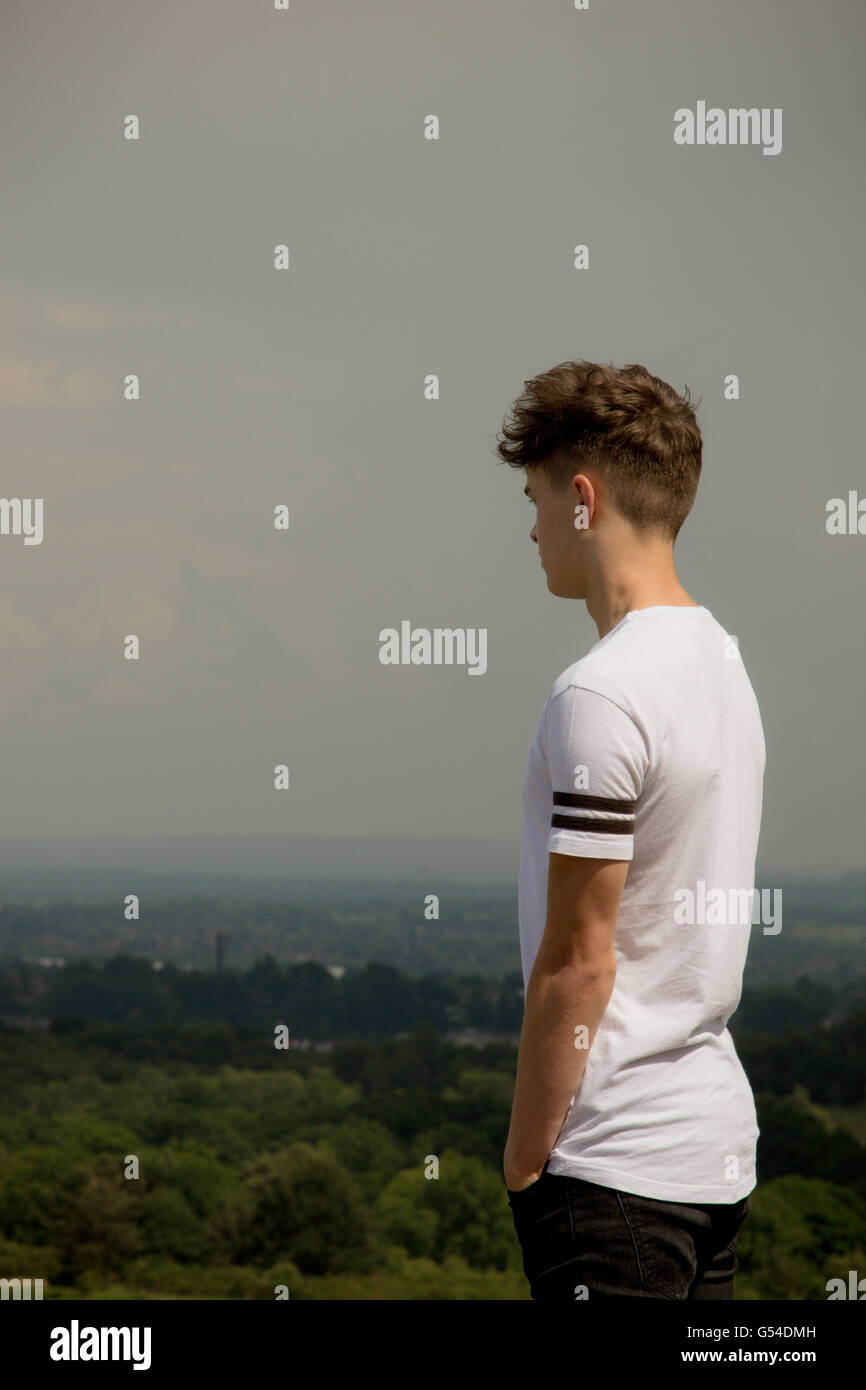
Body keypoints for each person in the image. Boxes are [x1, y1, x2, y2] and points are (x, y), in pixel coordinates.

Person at [495, 359, 765, 1300]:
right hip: (713, 1159)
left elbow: (580, 958)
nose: (529, 530)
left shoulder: (601, 690)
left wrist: (526, 1159)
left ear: (582, 498)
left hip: (611, 1172)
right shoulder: (724, 664)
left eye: (533, 500)